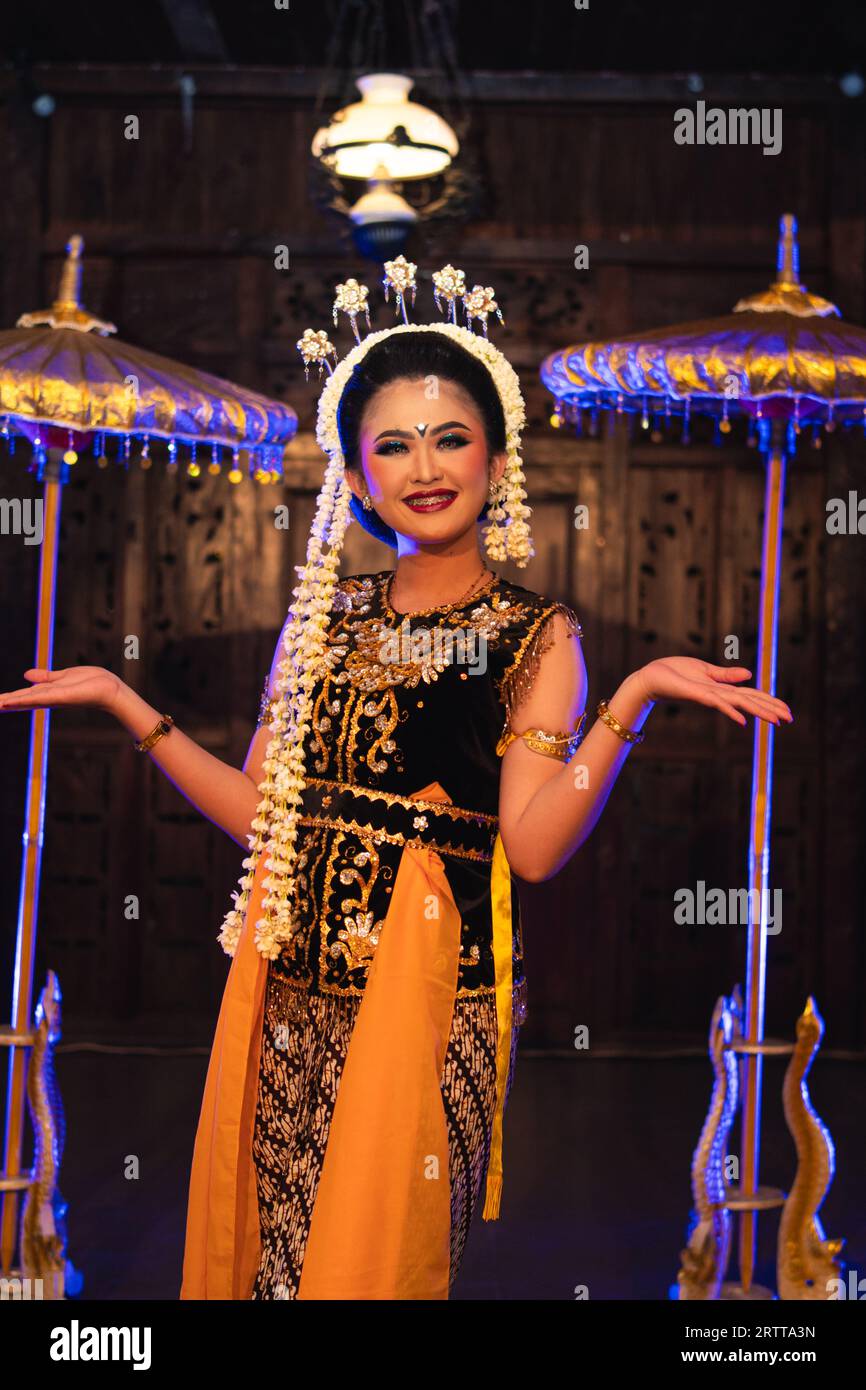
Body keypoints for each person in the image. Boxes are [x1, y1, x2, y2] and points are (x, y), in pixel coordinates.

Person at [0, 259, 793, 1301]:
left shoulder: (533, 637)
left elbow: (536, 848)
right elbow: (262, 818)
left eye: (449, 437)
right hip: (288, 986)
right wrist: (127, 707)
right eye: (393, 444)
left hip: (430, 1000)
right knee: (271, 1266)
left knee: (374, 1265)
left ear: (496, 458)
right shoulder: (320, 620)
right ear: (358, 477)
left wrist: (630, 700)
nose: (424, 464)